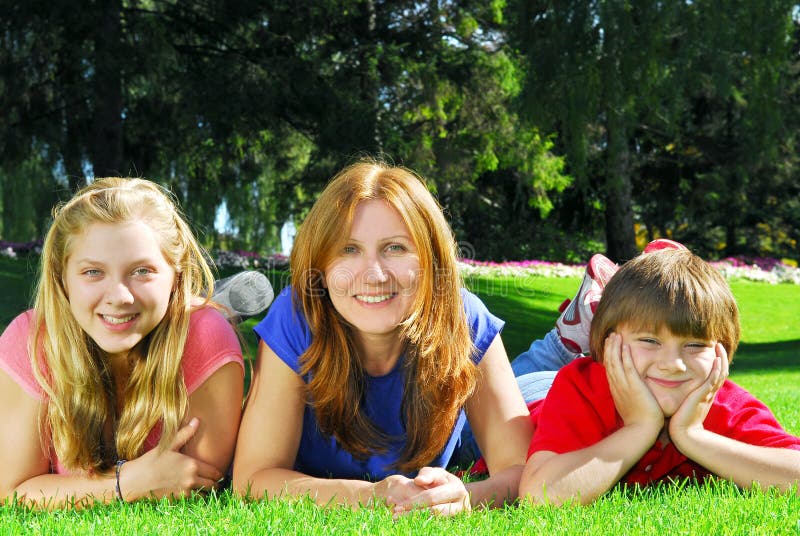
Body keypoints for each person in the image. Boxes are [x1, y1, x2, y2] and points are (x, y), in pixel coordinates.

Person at [232, 159, 533, 515]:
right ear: (321, 268)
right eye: (348, 249)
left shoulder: (464, 318)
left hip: (473, 421)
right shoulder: (298, 317)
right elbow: (253, 478)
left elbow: (523, 473)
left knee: (542, 388)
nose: (374, 275)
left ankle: (564, 342)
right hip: (462, 434)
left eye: (395, 248)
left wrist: (466, 497)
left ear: (431, 260)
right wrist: (369, 496)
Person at [0, 178, 246, 508]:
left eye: (142, 270)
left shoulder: (206, 339)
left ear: (176, 274)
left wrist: (65, 491)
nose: (119, 296)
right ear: (63, 277)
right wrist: (125, 483)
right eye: (92, 272)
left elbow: (196, 482)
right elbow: (11, 491)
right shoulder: (30, 341)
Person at [518, 246, 800, 505]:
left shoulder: (724, 402)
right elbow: (540, 497)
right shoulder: (581, 386)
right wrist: (640, 427)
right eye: (650, 341)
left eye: (695, 344)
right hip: (532, 394)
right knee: (494, 381)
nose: (673, 365)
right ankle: (567, 336)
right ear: (608, 344)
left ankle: (612, 304)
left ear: (720, 354)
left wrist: (692, 435)